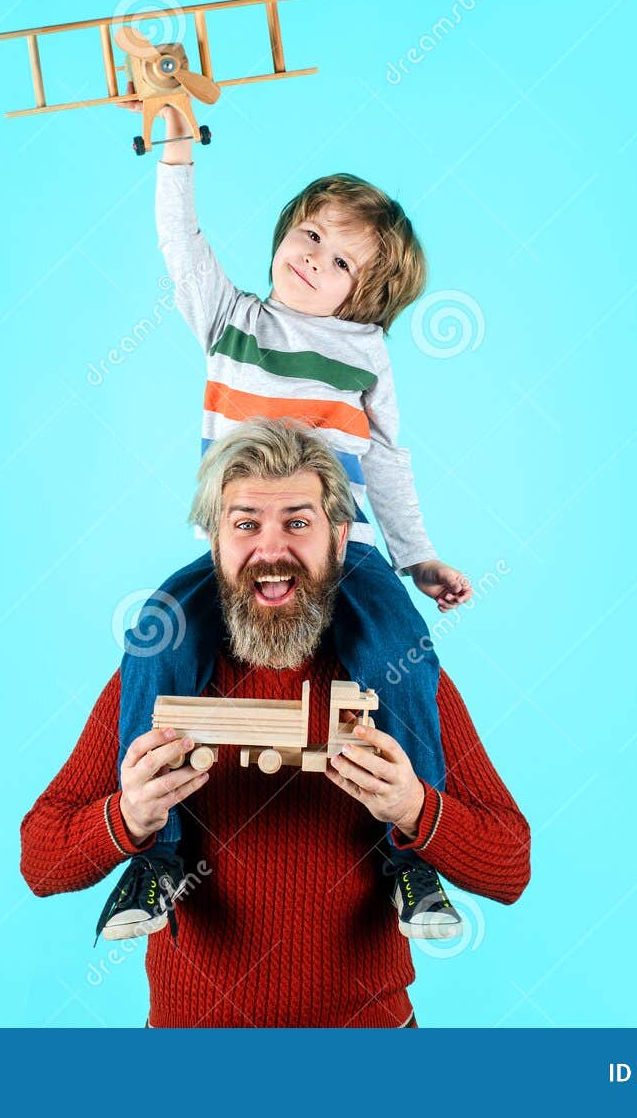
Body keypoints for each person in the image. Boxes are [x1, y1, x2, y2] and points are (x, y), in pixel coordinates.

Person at [102, 86, 476, 940]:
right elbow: (179, 243)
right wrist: (177, 147)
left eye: (342, 260)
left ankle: (407, 856)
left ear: (363, 296)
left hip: (341, 562)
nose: (314, 258)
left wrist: (416, 557)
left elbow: (385, 459)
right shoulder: (230, 318)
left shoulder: (362, 352)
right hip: (237, 561)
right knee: (156, 632)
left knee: (404, 652)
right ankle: (156, 853)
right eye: (310, 234)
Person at [19, 419, 530, 1027]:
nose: (270, 550)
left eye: (298, 522)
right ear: (215, 541)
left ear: (340, 539)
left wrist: (417, 809)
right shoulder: (161, 678)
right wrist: (126, 819)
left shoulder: (397, 678)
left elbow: (510, 866)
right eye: (245, 524)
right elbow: (40, 862)